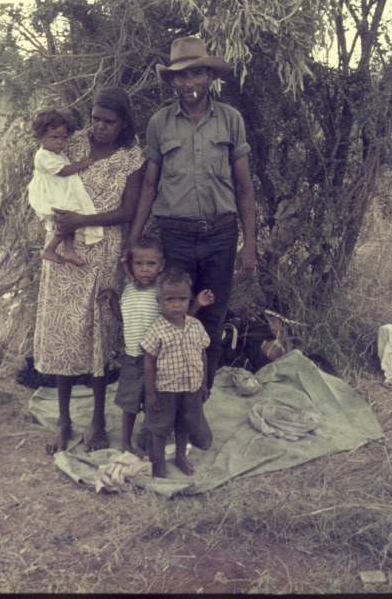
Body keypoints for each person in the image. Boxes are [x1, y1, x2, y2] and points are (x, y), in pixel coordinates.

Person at [122, 35, 257, 392]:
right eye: (180, 77)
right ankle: (168, 402)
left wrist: (250, 245)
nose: (189, 83)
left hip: (221, 236)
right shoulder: (160, 123)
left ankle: (199, 402)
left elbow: (244, 187)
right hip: (175, 238)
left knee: (210, 322)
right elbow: (149, 187)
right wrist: (134, 242)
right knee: (170, 319)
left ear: (210, 77)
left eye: (196, 74)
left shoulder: (230, 120)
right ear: (171, 82)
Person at [33, 87, 146, 454]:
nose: (99, 127)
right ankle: (64, 420)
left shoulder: (132, 158)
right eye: (95, 118)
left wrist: (85, 218)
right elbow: (46, 177)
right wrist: (60, 219)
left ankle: (97, 419)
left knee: (99, 332)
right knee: (63, 331)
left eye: (109, 121)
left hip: (103, 251)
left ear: (123, 123)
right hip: (65, 249)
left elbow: (128, 211)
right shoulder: (72, 143)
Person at [98, 234, 214, 456]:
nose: (144, 270)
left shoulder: (160, 293)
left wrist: (197, 304)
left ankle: (151, 439)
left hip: (160, 361)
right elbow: (123, 317)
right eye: (138, 264)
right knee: (130, 403)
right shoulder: (129, 290)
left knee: (155, 402)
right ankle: (125, 443)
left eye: (150, 264)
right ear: (130, 265)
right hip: (132, 357)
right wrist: (113, 299)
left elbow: (179, 319)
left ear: (161, 266)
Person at [141, 266, 213, 478]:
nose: (176, 305)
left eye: (182, 299)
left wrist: (203, 383)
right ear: (159, 301)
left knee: (185, 424)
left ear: (189, 300)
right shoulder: (157, 329)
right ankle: (159, 460)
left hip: (190, 388)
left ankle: (181, 456)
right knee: (160, 427)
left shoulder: (195, 326)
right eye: (170, 300)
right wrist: (151, 393)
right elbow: (149, 363)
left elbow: (203, 355)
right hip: (165, 390)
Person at [27, 108, 103, 267]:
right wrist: (81, 165)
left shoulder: (55, 152)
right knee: (64, 220)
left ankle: (68, 251)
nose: (60, 142)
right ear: (41, 137)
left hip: (58, 192)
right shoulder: (43, 155)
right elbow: (63, 171)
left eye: (63, 138)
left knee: (69, 219)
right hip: (50, 195)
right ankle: (49, 249)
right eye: (54, 137)